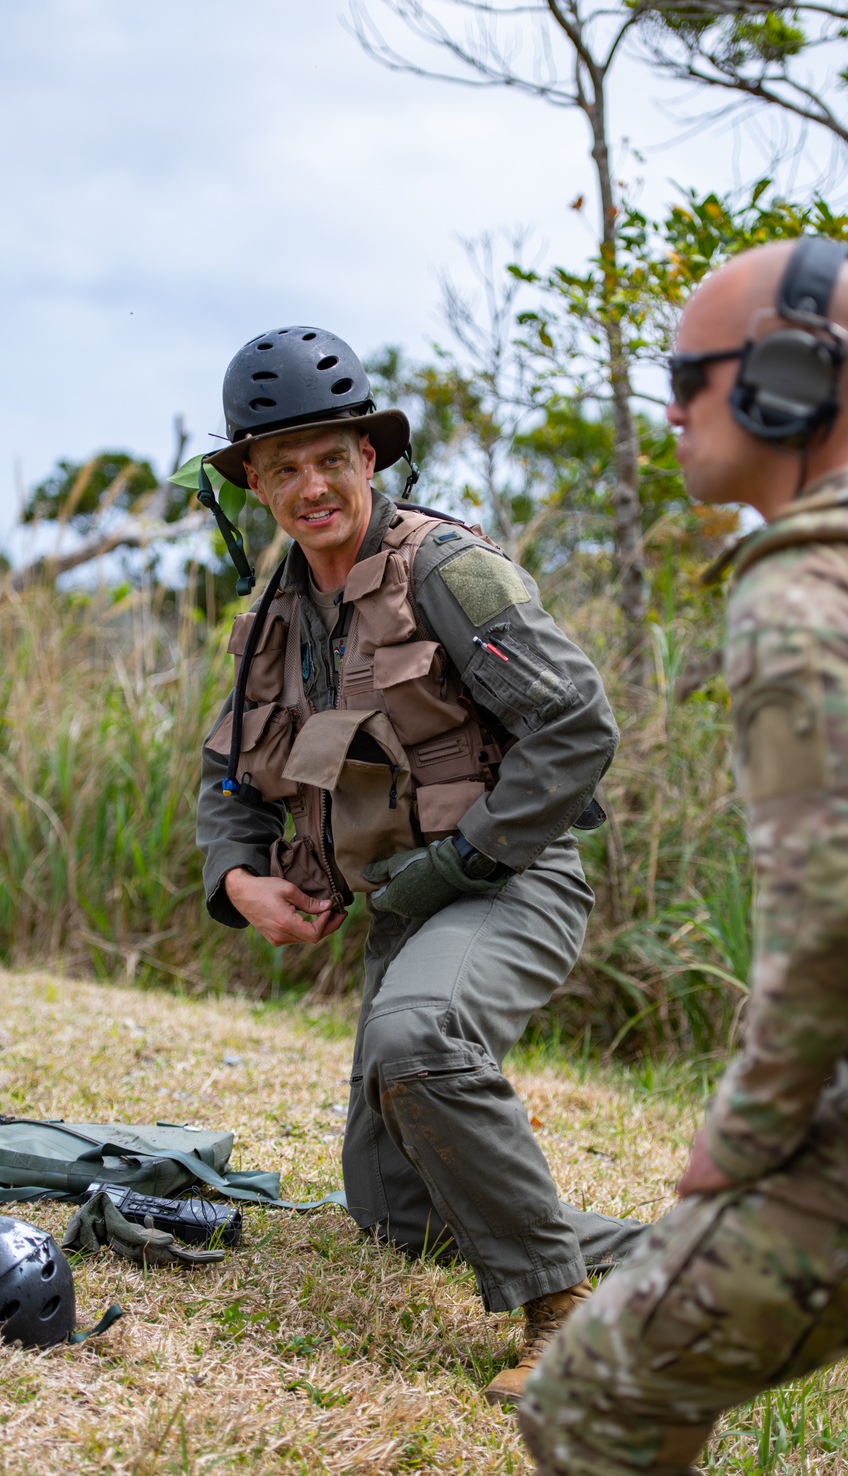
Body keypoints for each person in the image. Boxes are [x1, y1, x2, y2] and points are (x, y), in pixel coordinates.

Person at [519, 237, 848, 1476]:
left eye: (687, 375)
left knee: (593, 1402)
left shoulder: (811, 585)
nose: (669, 409)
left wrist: (742, 1134)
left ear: (786, 375)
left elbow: (830, 914)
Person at [196, 326, 643, 1405]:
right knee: (398, 1216)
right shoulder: (277, 613)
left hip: (512, 877)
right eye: (285, 467)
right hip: (406, 910)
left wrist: (464, 861)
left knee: (417, 1039)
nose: (312, 486)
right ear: (254, 482)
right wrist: (241, 880)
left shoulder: (445, 568)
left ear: (369, 456)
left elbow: (577, 725)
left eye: (331, 458)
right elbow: (228, 777)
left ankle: (561, 1312)